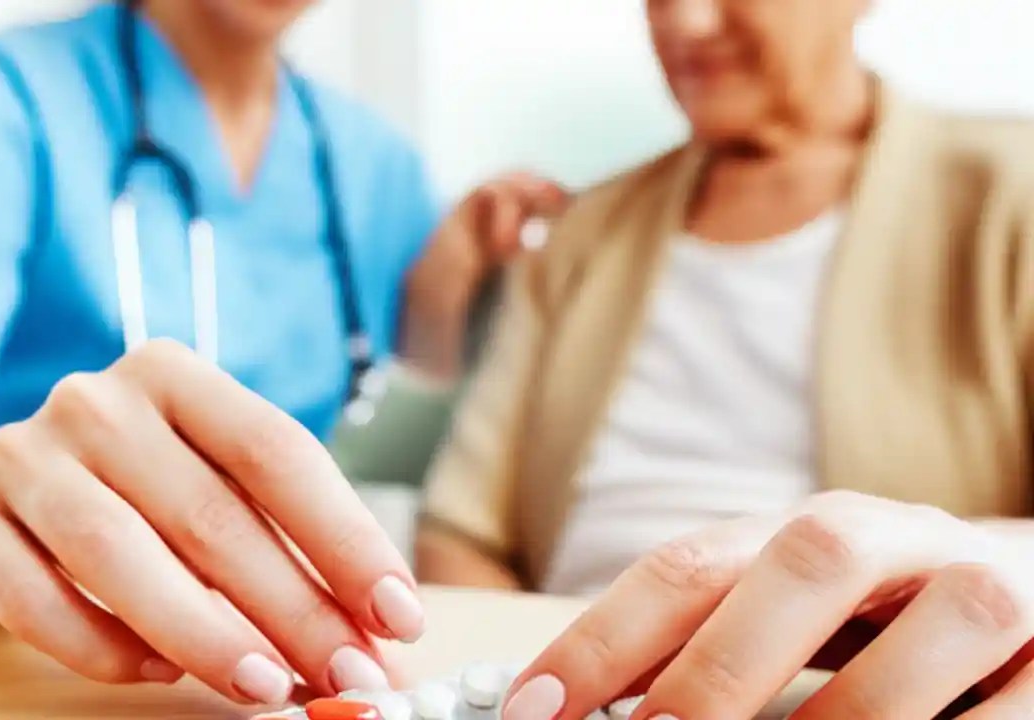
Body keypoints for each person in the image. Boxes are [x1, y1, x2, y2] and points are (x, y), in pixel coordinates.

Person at [0, 0, 568, 707]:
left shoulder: (371, 164)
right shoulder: (1, 95)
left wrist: (461, 275)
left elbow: (416, 363)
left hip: (241, 676)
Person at [411, 0, 1034, 717]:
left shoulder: (1011, 194)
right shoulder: (585, 232)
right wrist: (512, 685)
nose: (688, 24)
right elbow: (463, 528)